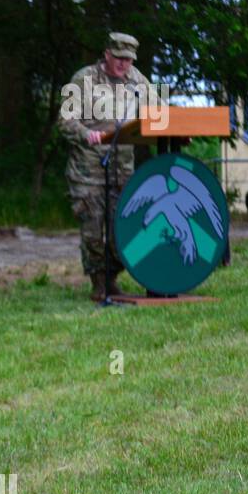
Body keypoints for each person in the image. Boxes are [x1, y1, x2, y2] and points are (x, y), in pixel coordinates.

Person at [58, 31, 152, 301]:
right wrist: (85, 133)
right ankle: (98, 282)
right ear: (107, 54)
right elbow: (66, 120)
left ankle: (112, 278)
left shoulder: (137, 81)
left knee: (122, 228)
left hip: (122, 169)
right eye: (120, 58)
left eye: (130, 60)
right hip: (88, 169)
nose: (125, 65)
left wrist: (177, 130)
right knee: (92, 228)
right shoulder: (84, 79)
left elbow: (159, 111)